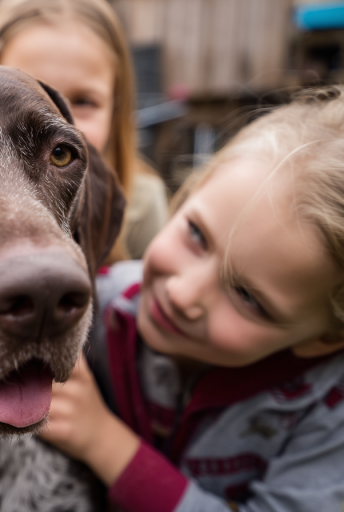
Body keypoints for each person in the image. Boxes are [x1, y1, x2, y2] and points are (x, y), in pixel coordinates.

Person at [40, 87, 344, 511]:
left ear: (327, 338)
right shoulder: (95, 308)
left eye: (248, 297)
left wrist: (104, 442)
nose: (183, 295)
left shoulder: (329, 413)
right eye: (197, 235)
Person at [0, 0, 169, 261]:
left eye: (84, 101)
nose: (60, 121)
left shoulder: (142, 204)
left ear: (115, 110)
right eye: (31, 94)